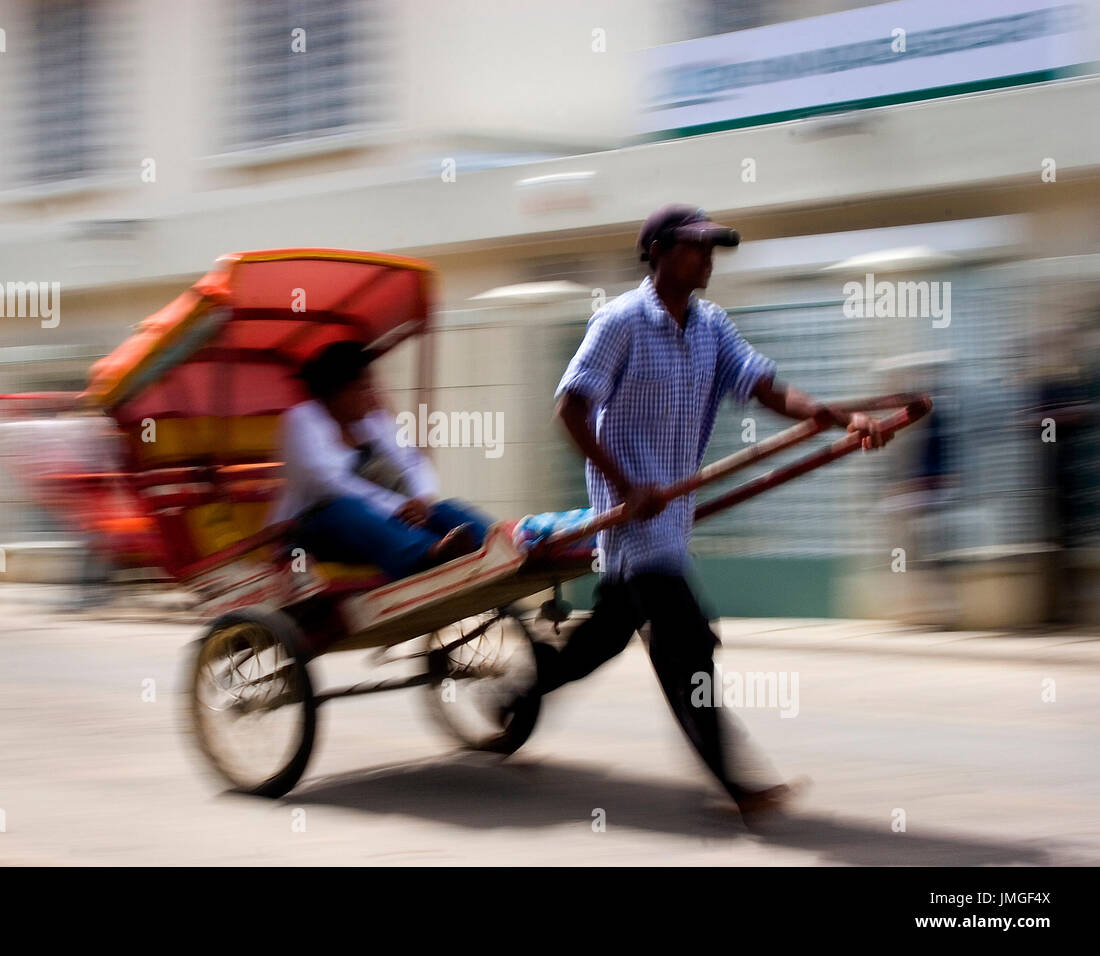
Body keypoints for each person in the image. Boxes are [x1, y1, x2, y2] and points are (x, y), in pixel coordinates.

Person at [520, 204, 892, 822]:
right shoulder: (621, 322)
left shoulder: (711, 326)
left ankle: (521, 692)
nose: (708, 258)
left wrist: (838, 418)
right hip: (632, 520)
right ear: (659, 252)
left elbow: (767, 388)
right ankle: (738, 784)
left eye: (713, 247)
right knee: (685, 643)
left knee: (606, 640)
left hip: (672, 517)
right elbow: (570, 409)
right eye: (696, 247)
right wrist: (626, 486)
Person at [270, 340, 492, 579]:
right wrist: (396, 507)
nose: (372, 394)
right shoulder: (302, 420)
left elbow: (413, 461)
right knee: (346, 510)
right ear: (338, 391)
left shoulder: (372, 421)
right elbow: (328, 483)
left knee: (444, 509)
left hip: (378, 524)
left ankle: (500, 544)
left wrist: (420, 500)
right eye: (364, 388)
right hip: (312, 531)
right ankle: (428, 553)